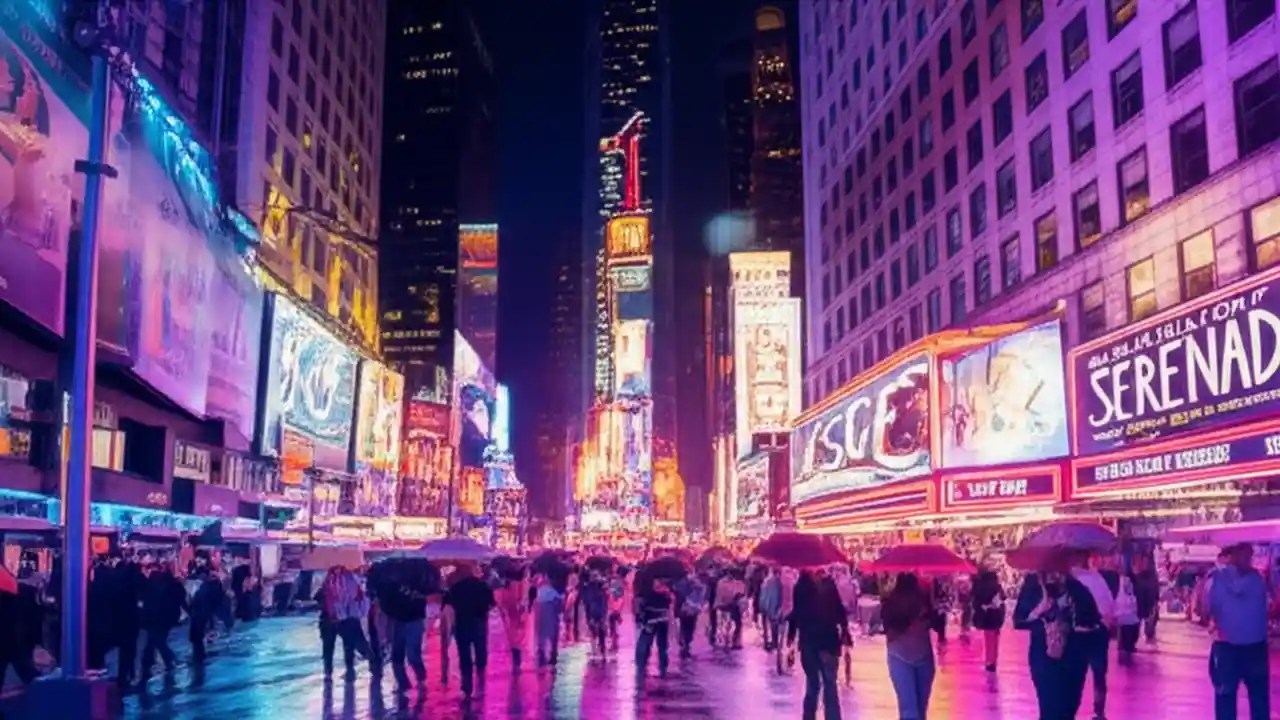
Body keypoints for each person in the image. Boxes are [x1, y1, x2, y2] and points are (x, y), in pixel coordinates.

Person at [1207, 543, 1270, 720]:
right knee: (1259, 700)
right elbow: (1264, 609)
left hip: (1227, 645)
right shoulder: (1257, 581)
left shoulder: (1218, 579)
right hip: (1255, 645)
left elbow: (1211, 607)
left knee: (1225, 698)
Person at [787, 570, 847, 720]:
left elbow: (796, 614)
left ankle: (809, 717)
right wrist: (845, 632)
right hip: (829, 642)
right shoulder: (829, 586)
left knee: (812, 684)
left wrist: (791, 636)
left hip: (809, 643)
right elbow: (839, 611)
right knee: (830, 685)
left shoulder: (800, 587)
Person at [882, 573, 935, 720]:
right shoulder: (894, 604)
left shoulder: (893, 602)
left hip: (903, 655)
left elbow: (886, 629)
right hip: (918, 655)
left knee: (910, 708)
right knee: (916, 709)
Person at [1069, 553, 1115, 720]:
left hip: (1076, 633)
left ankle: (1070, 708)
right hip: (1098, 632)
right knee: (1099, 673)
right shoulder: (1098, 579)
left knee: (1074, 675)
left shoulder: (1070, 579)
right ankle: (1099, 711)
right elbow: (1110, 607)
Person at [444, 563, 495, 699]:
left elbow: (448, 604)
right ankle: (480, 678)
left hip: (462, 622)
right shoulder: (482, 585)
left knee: (464, 655)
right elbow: (492, 603)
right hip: (479, 621)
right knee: (480, 650)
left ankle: (466, 687)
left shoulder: (455, 588)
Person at [379, 563, 430, 693]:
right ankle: (413, 681)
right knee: (405, 654)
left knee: (404, 654)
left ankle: (412, 682)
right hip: (407, 621)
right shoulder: (416, 583)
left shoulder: (395, 585)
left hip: (405, 621)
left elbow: (386, 604)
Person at [316, 565, 371, 681]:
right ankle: (329, 671)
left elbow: (356, 597)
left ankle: (350, 670)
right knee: (329, 646)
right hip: (331, 618)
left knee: (348, 645)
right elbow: (318, 597)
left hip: (346, 617)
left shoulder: (350, 579)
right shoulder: (329, 580)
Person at [138, 559, 186, 685]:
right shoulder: (171, 582)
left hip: (154, 618)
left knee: (154, 643)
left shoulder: (150, 584)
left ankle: (153, 668)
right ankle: (168, 662)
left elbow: (145, 602)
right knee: (157, 642)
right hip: (168, 618)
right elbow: (181, 597)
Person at [0, 574, 43, 691]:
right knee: (26, 671)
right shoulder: (10, 584)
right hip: (14, 637)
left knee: (25, 670)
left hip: (10, 638)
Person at [634, 577, 673, 679]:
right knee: (656, 644)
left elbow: (640, 604)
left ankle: (645, 665)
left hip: (653, 620)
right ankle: (659, 666)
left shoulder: (647, 591)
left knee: (653, 644)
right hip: (655, 620)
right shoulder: (665, 591)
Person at [188, 562, 225, 666]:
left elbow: (197, 599)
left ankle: (199, 657)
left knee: (198, 638)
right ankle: (201, 655)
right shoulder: (211, 585)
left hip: (202, 614)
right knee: (200, 638)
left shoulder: (207, 586)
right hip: (204, 614)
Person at [494, 566, 529, 669]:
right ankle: (517, 658)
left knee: (512, 637)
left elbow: (500, 603)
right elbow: (523, 601)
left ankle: (515, 657)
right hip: (518, 615)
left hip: (509, 616)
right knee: (518, 636)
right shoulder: (521, 585)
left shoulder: (504, 588)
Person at [970, 570, 1006, 672]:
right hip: (997, 615)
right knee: (995, 639)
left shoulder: (981, 586)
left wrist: (984, 606)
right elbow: (1003, 597)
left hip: (986, 616)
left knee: (988, 638)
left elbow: (975, 601)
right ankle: (993, 661)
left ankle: (989, 661)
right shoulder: (997, 586)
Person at [672, 572, 706, 659]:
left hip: (686, 609)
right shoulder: (695, 585)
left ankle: (684, 641)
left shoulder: (680, 584)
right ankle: (685, 642)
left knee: (686, 626)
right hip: (689, 609)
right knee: (689, 626)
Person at [533, 573, 564, 666]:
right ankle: (553, 655)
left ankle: (541, 655)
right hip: (552, 616)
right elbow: (560, 607)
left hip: (540, 617)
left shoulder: (538, 592)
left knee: (541, 636)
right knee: (553, 636)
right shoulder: (554, 593)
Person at [1130, 555, 1161, 643]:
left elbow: (1155, 590)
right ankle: (1136, 640)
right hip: (1139, 603)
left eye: (1146, 562)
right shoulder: (1137, 576)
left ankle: (1149, 637)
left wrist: (1156, 602)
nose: (1144, 564)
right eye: (1143, 562)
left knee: (1148, 624)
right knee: (1138, 623)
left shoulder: (1151, 577)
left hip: (1148, 603)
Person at [579, 571, 610, 658]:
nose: (595, 578)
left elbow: (586, 600)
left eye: (596, 576)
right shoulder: (592, 588)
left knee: (598, 631)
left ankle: (598, 649)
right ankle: (598, 649)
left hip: (597, 612)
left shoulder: (596, 587)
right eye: (594, 576)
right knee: (597, 631)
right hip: (595, 612)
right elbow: (586, 601)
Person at [714, 569, 746, 648]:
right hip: (725, 606)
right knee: (728, 624)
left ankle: (732, 641)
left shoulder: (736, 583)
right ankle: (728, 641)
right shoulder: (723, 583)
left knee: (734, 624)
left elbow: (741, 595)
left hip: (731, 606)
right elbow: (723, 596)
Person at [1114, 574, 1141, 660]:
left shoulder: (1130, 593)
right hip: (1125, 620)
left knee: (1127, 641)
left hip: (1129, 620)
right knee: (1125, 641)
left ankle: (1126, 651)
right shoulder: (1121, 593)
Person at [757, 567, 784, 651]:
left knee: (766, 624)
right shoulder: (779, 582)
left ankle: (766, 641)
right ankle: (774, 642)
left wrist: (761, 605)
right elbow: (778, 596)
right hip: (773, 606)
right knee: (774, 625)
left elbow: (762, 594)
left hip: (765, 605)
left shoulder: (766, 581)